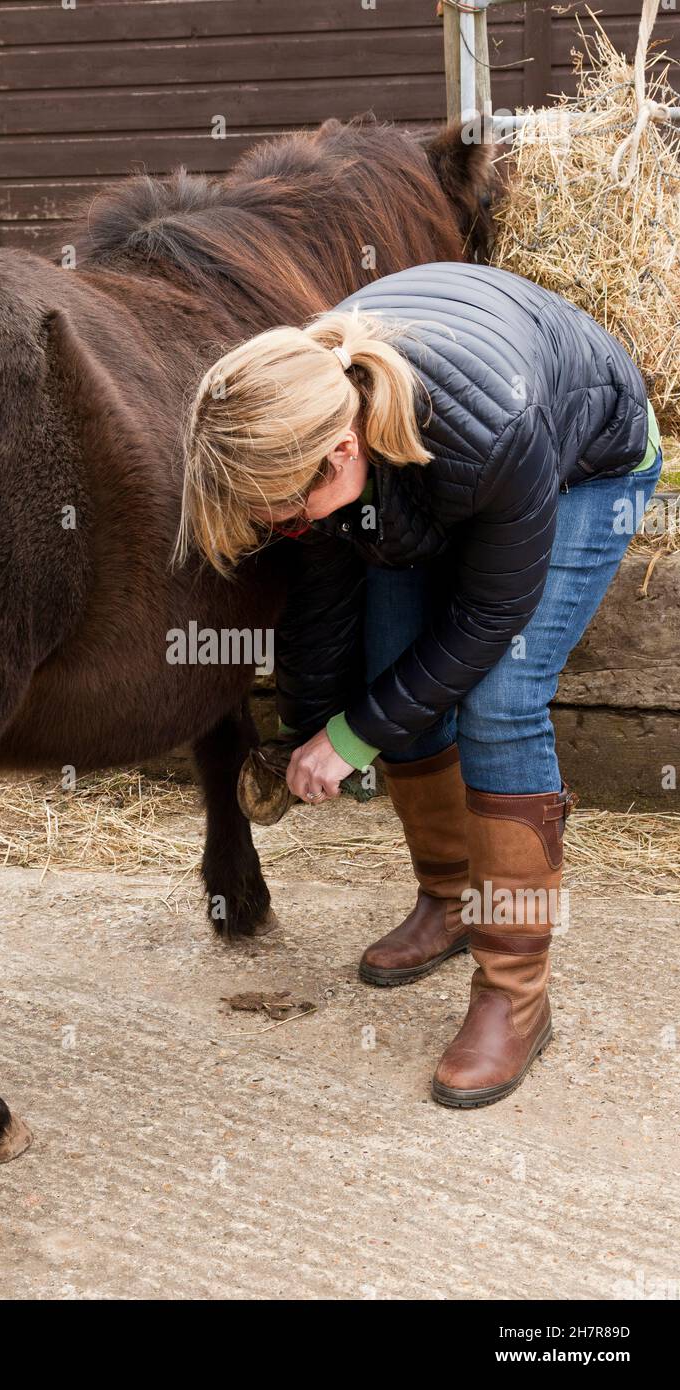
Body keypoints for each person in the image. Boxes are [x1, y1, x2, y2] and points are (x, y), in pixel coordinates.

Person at [176, 261, 663, 1107]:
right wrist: (314, 725)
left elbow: (487, 618)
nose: (285, 532)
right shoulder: (311, 410)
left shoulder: (495, 434)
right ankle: (447, 896)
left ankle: (513, 992)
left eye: (287, 517)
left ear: (338, 454)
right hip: (422, 470)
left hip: (581, 466)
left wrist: (356, 736)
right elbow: (322, 594)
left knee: (499, 703)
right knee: (394, 660)